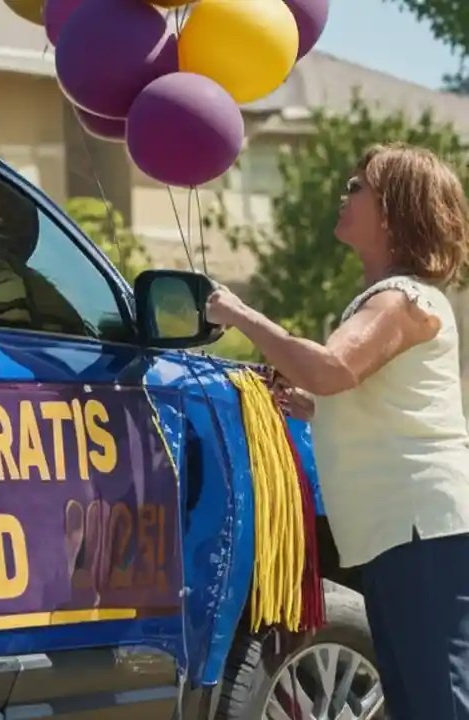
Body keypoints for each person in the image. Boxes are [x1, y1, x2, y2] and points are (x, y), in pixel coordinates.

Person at [205, 143, 469, 720]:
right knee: (419, 700)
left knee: (439, 701)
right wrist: (313, 408)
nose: (343, 196)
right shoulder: (386, 300)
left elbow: (332, 367)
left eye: (357, 188)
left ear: (393, 212)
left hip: (421, 531)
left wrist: (241, 315)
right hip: (397, 534)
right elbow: (372, 401)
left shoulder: (403, 300)